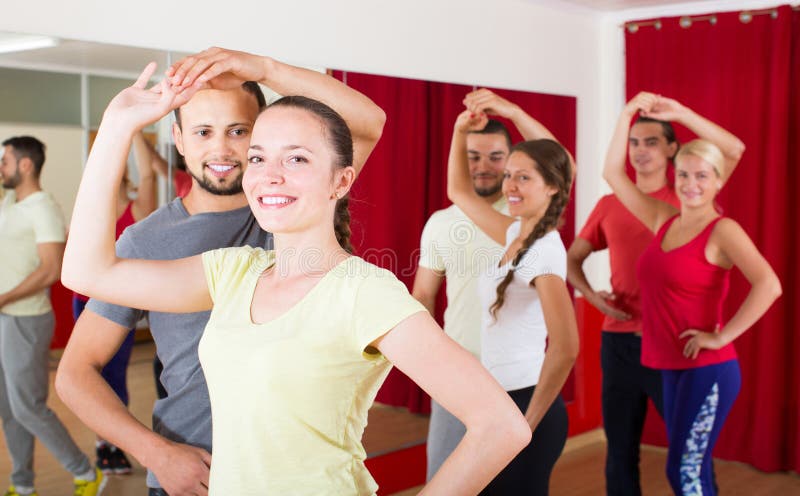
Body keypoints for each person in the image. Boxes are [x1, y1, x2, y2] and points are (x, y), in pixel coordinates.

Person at [59, 49, 531, 495]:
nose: (268, 173)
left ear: (341, 180)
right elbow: (86, 272)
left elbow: (501, 426)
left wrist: (261, 65)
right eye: (260, 157)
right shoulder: (234, 271)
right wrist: (118, 125)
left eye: (297, 158)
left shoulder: (363, 291)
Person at [55, 47, 383, 496]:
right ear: (180, 138)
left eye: (238, 131)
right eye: (204, 132)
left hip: (295, 469)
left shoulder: (293, 208)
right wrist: (156, 453)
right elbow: (75, 373)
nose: (222, 149)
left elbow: (368, 124)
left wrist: (266, 68)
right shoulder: (145, 241)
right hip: (194, 470)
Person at [602, 92, 781, 496]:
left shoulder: (722, 230)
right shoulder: (663, 219)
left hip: (707, 367)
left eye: (702, 176)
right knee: (684, 470)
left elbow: (769, 284)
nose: (691, 184)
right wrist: (628, 112)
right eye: (683, 174)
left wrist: (721, 336)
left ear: (719, 180)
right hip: (669, 364)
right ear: (674, 174)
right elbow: (613, 174)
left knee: (685, 472)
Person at [414, 89, 566, 481]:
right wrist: (458, 130)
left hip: (516, 389)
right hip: (459, 378)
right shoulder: (505, 228)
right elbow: (458, 191)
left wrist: (514, 111)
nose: (492, 170)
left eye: (502, 161)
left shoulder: (531, 225)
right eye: (473, 156)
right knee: (447, 481)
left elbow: (559, 161)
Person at [446, 103, 579, 495]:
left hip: (525, 403)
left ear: (552, 185)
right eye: (508, 176)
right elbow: (459, 191)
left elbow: (567, 346)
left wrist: (528, 422)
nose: (509, 187)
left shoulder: (544, 252)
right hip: (499, 399)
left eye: (523, 177)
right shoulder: (514, 234)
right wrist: (459, 130)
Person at [567, 109, 682, 495]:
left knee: (689, 450)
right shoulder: (607, 205)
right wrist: (592, 297)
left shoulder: (685, 203)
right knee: (619, 452)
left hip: (672, 344)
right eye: (634, 142)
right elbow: (572, 260)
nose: (640, 151)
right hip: (619, 346)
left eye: (651, 142)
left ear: (671, 149)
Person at [0, 136, 104, 496]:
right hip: (5, 317)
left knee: (28, 408)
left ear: (25, 165)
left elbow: (51, 269)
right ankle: (22, 484)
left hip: (26, 319)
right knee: (8, 409)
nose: (1, 167)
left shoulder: (43, 208)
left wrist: (4, 298)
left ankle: (86, 473)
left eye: (5, 161)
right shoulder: (11, 202)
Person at [72, 135, 159, 476]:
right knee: (93, 372)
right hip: (85, 301)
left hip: (121, 303)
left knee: (114, 376)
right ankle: (104, 445)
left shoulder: (137, 210)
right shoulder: (95, 209)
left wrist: (135, 131)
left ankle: (110, 442)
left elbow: (150, 176)